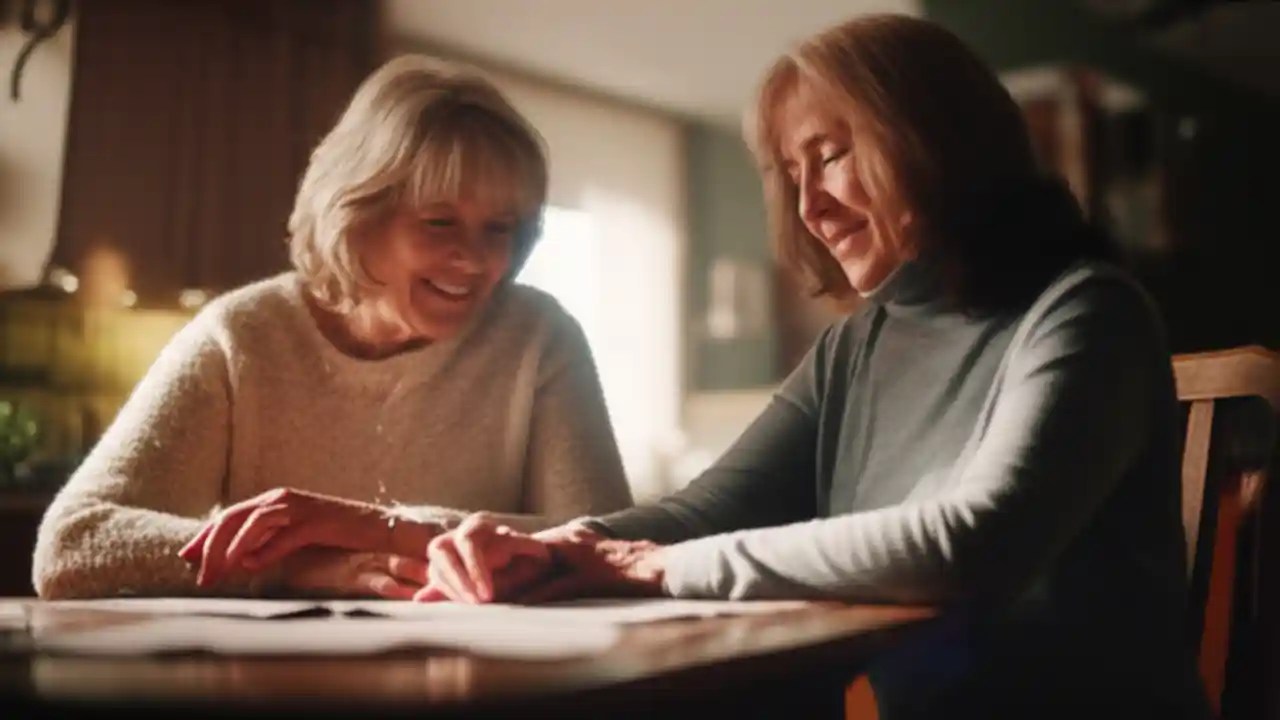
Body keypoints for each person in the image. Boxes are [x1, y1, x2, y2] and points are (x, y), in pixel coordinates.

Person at [412, 15, 1208, 718]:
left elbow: (973, 541)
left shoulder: (1086, 313)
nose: (809, 211)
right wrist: (559, 549)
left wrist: (658, 571)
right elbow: (703, 514)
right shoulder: (856, 346)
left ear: (939, 140)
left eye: (828, 158)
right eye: (792, 176)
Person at [31, 55, 632, 601]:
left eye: (499, 228)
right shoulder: (241, 337)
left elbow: (613, 542)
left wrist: (390, 535)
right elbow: (74, 542)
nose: (475, 260)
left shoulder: (538, 336)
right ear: (357, 214)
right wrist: (293, 566)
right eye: (440, 222)